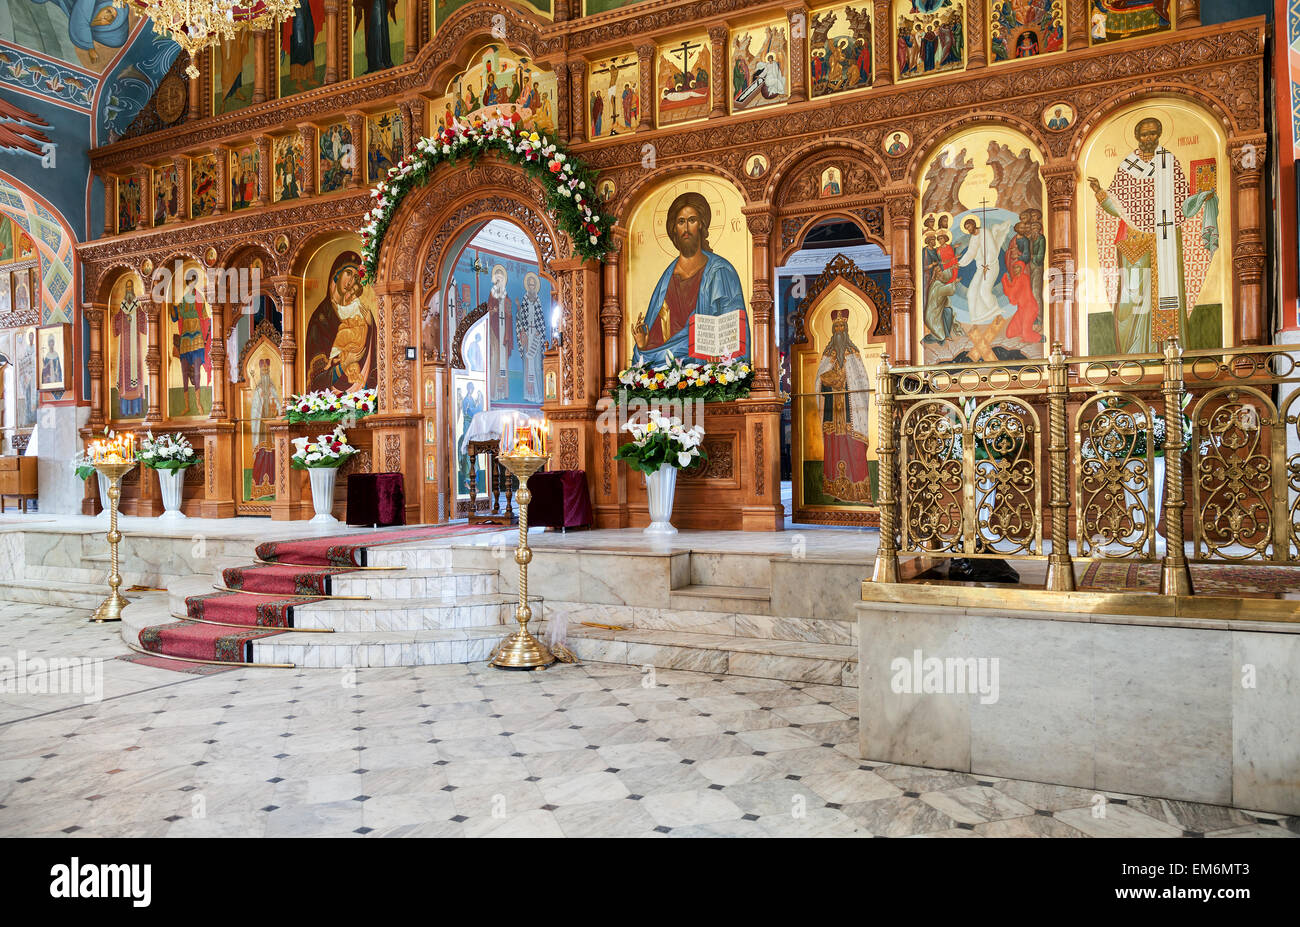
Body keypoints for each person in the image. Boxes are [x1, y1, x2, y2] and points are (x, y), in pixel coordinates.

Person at [1088, 115, 1218, 353]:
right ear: (1137, 136)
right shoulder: (1128, 165)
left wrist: (1201, 196)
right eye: (1145, 134)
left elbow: (1182, 202)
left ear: (1158, 135)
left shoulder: (1168, 161)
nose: (1149, 138)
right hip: (1133, 241)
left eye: (1153, 133)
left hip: (1163, 239)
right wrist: (1100, 194)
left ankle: (1168, 351)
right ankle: (1134, 352)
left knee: (1165, 293)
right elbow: (1117, 205)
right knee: (1133, 295)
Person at [633, 192, 748, 366]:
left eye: (692, 220)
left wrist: (721, 362)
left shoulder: (721, 272)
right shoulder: (667, 280)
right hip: (667, 373)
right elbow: (655, 342)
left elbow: (734, 329)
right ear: (674, 228)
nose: (686, 228)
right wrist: (643, 347)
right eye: (681, 222)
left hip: (708, 370)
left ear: (701, 225)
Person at [817, 307, 873, 504]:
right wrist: (830, 380)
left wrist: (844, 380)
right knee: (834, 449)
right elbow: (820, 382)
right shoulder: (827, 354)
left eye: (843, 326)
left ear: (847, 329)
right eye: (836, 326)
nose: (840, 330)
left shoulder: (853, 352)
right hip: (832, 413)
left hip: (852, 413)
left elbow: (862, 381)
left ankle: (860, 492)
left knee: (854, 449)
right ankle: (835, 492)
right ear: (833, 330)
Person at [305, 252, 376, 392]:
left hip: (361, 391)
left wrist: (371, 325)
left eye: (356, 277)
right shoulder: (321, 317)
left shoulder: (360, 312)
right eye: (348, 273)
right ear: (336, 276)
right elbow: (316, 380)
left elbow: (375, 357)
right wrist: (345, 363)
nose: (351, 281)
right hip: (328, 398)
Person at [112, 278, 147, 417]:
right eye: (127, 289)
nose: (128, 291)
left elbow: (145, 322)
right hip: (124, 347)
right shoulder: (122, 309)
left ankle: (137, 409)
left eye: (130, 288)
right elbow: (116, 325)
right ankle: (125, 410)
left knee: (135, 376)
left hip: (135, 347)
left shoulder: (138, 309)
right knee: (125, 377)